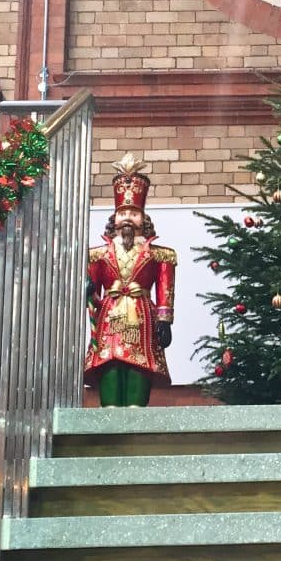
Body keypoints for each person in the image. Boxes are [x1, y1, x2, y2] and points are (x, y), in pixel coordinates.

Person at [85, 154, 176, 407]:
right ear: (114, 219)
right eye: (122, 212)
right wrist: (88, 290)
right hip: (109, 314)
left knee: (139, 361)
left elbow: (165, 289)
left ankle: (136, 407)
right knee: (109, 360)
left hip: (142, 315)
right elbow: (91, 295)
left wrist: (165, 320)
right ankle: (110, 407)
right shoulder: (97, 254)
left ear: (143, 218)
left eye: (133, 213)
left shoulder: (160, 254)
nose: (127, 217)